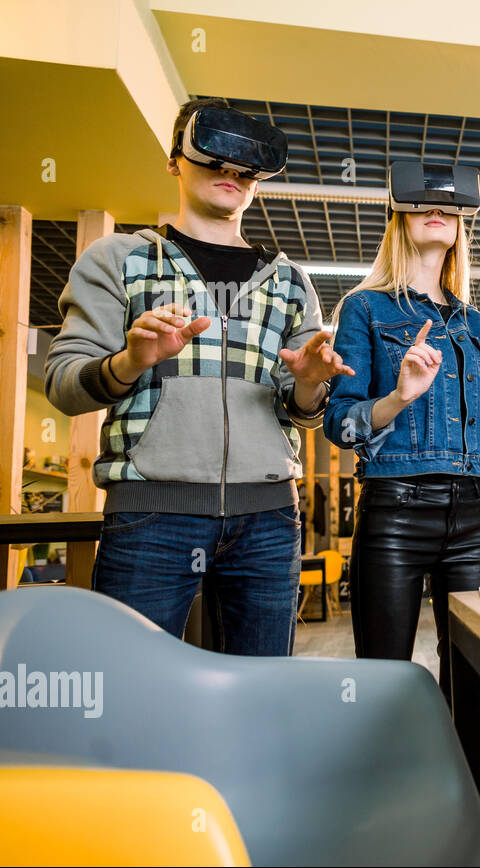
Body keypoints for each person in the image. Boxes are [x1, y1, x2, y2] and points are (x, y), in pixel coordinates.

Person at [44, 97, 349, 654]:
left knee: (260, 693)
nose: (230, 174)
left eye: (244, 166)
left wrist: (308, 385)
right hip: (151, 518)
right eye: (213, 158)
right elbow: (63, 384)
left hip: (268, 520)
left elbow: (305, 411)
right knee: (133, 689)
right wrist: (130, 361)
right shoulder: (119, 259)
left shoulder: (289, 282)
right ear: (174, 160)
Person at [323, 161, 480, 803]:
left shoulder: (477, 323)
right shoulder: (363, 308)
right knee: (384, 678)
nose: (436, 210)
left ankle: (462, 822)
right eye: (421, 203)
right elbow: (341, 423)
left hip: (471, 515)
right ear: (400, 216)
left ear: (461, 222)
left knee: (468, 679)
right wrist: (399, 397)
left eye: (448, 205)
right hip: (395, 510)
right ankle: (385, 819)